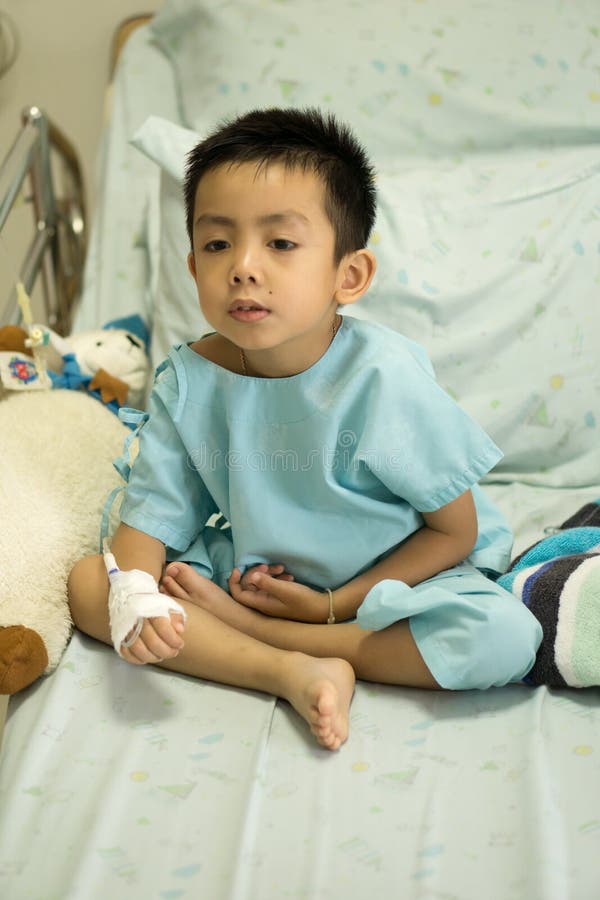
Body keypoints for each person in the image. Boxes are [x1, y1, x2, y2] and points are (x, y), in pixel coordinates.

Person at [68, 107, 542, 751]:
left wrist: (331, 606)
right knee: (94, 586)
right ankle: (290, 671)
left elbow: (453, 531)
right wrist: (136, 600)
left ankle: (285, 642)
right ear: (193, 269)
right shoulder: (189, 383)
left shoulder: (383, 380)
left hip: (388, 578)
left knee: (503, 638)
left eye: (281, 243)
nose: (243, 266)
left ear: (349, 276)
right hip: (253, 571)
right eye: (217, 244)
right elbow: (146, 530)